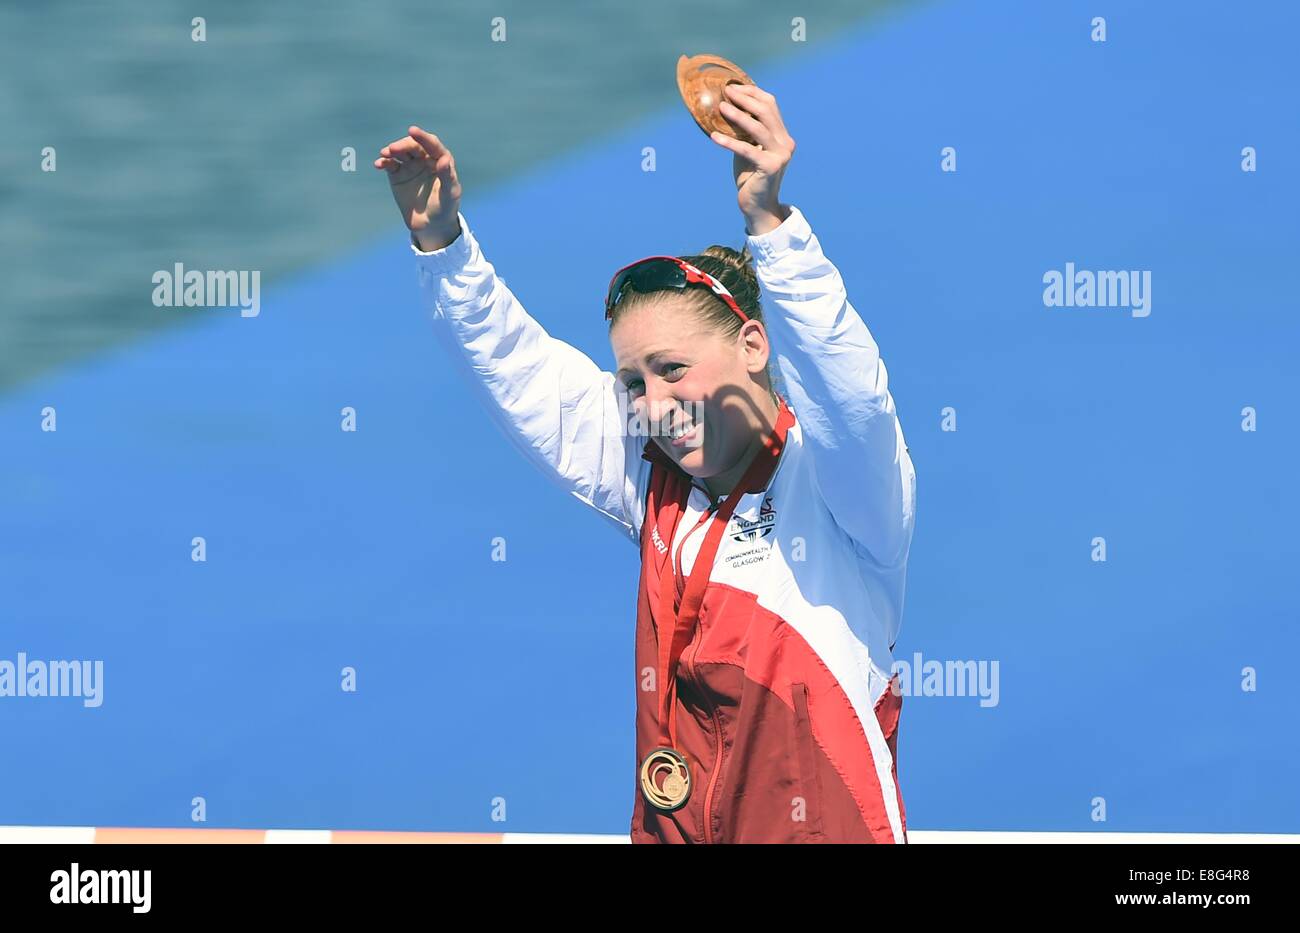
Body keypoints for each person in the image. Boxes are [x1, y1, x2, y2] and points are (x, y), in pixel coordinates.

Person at [375, 82, 916, 843]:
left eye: (672, 368)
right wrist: (444, 246)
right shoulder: (654, 475)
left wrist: (772, 225)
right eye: (632, 381)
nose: (655, 403)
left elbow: (852, 397)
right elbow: (527, 376)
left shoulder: (841, 492)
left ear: (754, 346)